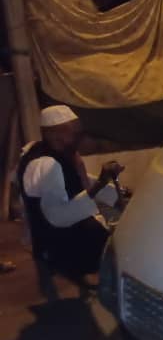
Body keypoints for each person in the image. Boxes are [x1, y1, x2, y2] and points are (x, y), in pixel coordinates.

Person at [16, 105, 124, 276]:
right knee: (119, 245)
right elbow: (59, 217)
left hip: (57, 234)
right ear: (53, 135)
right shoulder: (47, 165)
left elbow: (78, 180)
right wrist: (101, 183)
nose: (79, 138)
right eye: (73, 133)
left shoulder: (50, 150)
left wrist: (119, 195)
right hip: (59, 245)